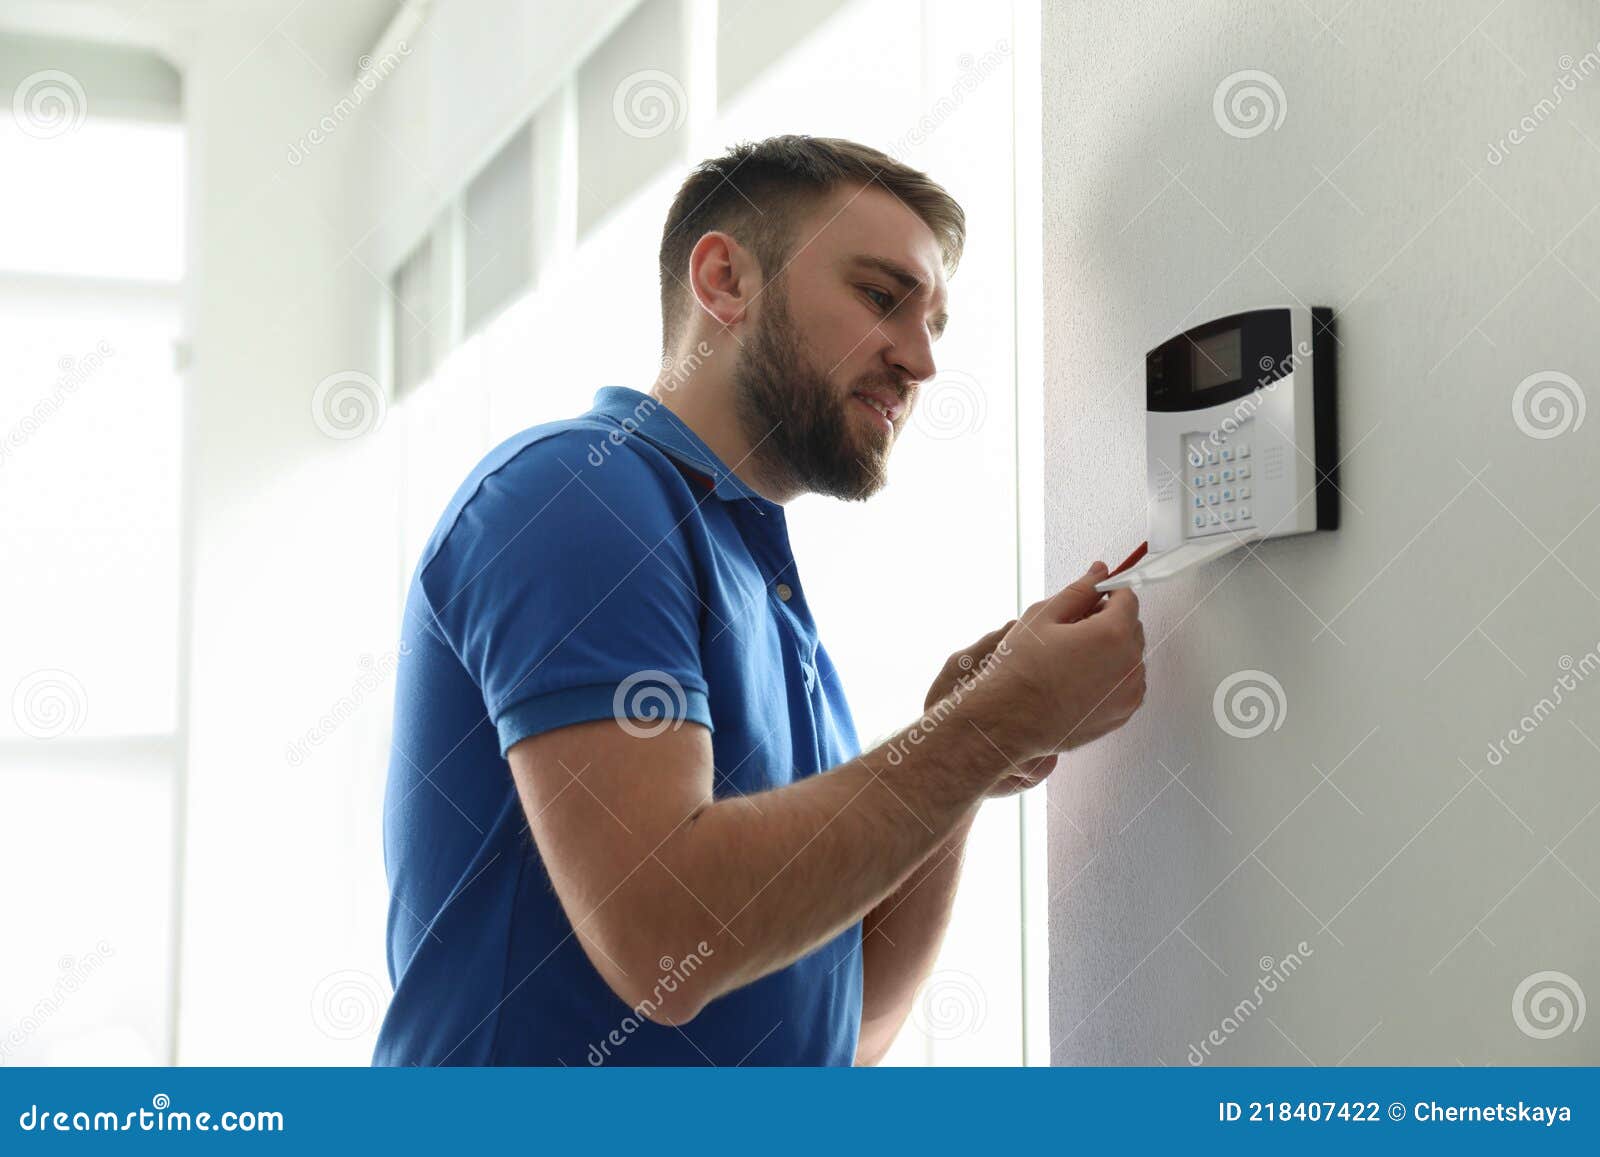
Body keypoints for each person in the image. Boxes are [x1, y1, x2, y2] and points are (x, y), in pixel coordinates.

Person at [374, 134, 1146, 1067]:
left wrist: (972, 741)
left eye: (935, 323)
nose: (921, 360)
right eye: (880, 297)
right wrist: (986, 728)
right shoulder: (576, 496)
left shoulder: (760, 586)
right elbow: (666, 942)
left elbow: (842, 1033)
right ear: (725, 280)